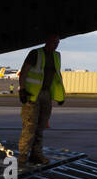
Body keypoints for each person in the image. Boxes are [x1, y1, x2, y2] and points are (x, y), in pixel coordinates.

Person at [18, 33, 65, 164]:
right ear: (47, 41)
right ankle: (23, 155)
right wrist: (22, 89)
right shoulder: (35, 53)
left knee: (41, 126)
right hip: (32, 95)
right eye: (54, 42)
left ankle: (36, 154)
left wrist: (60, 96)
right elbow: (24, 71)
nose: (56, 45)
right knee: (29, 126)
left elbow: (57, 77)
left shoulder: (57, 56)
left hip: (46, 95)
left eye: (57, 43)